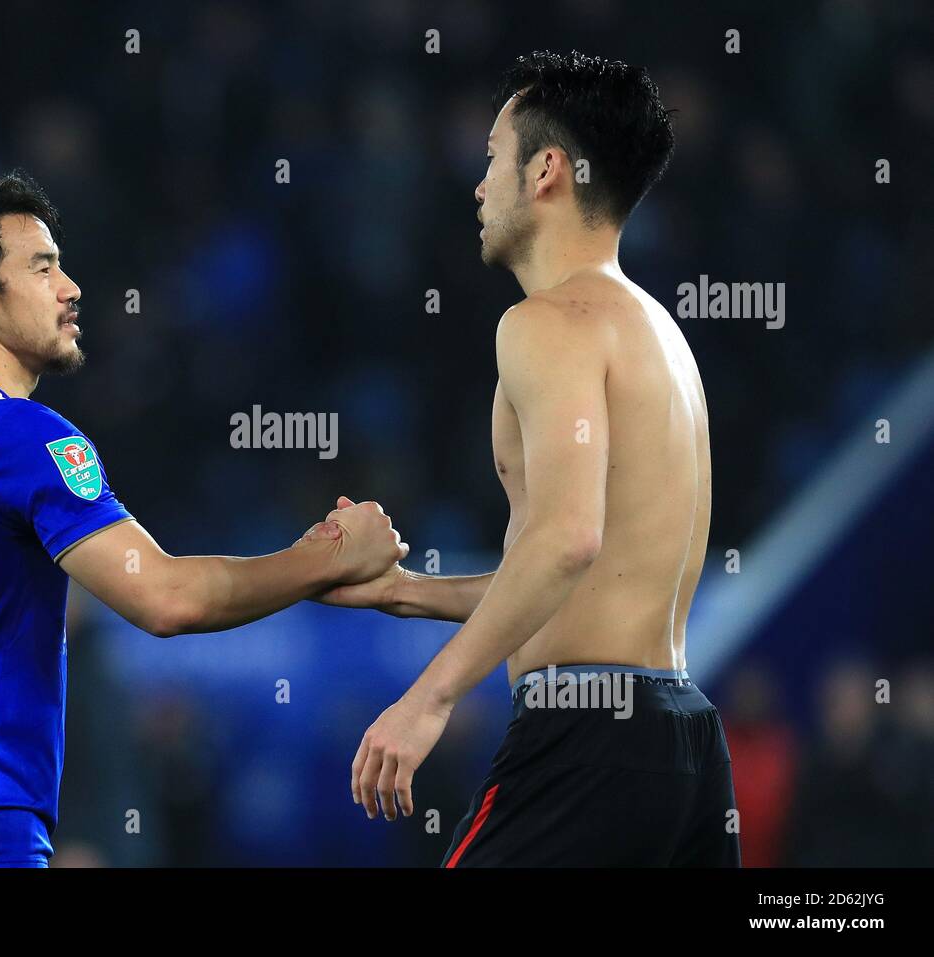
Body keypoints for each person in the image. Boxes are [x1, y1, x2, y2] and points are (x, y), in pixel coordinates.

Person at [0, 174, 407, 868]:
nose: (70, 287)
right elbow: (166, 598)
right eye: (41, 267)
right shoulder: (22, 435)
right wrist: (326, 557)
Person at [309, 51, 739, 866]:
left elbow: (566, 539)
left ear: (545, 171)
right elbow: (585, 571)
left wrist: (429, 697)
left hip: (584, 744)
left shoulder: (547, 323)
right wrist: (405, 591)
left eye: (491, 158)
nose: (478, 186)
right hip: (683, 745)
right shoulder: (660, 335)